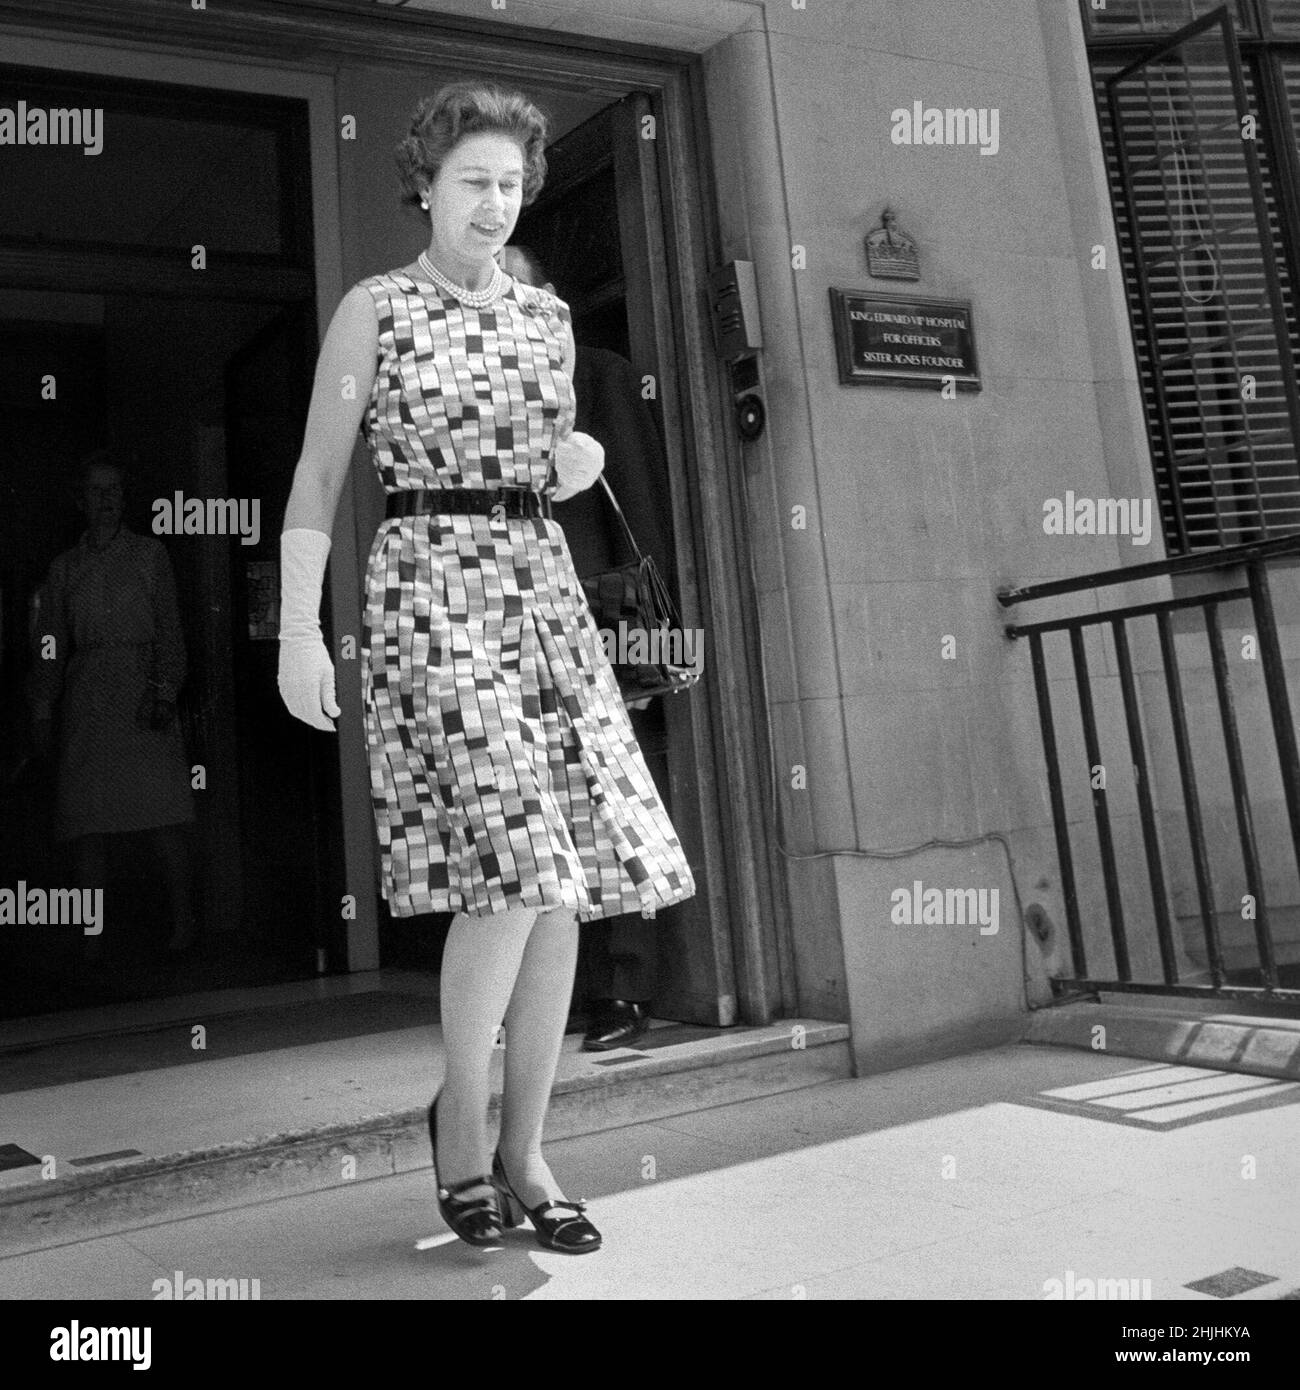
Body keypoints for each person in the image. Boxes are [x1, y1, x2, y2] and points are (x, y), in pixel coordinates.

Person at [277, 83, 696, 1253]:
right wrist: (299, 631)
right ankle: (460, 1122)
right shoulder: (377, 307)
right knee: (511, 864)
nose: (494, 204)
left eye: (511, 184)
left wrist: (571, 459)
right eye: (473, 181)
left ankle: (525, 1147)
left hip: (538, 586)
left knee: (560, 883)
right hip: (428, 582)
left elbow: (543, 455)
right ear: (425, 181)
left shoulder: (547, 316)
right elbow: (318, 475)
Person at [497, 244, 672, 1052]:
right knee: (528, 815)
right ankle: (545, 997)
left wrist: (644, 637)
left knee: (610, 809)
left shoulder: (598, 372)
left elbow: (634, 504)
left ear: (551, 297)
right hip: (501, 632)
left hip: (596, 625)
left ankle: (624, 992)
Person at [27, 451, 198, 957]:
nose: (107, 500)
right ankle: (92, 935)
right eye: (97, 491)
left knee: (162, 813)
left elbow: (169, 628)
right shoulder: (65, 569)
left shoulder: (149, 556)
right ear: (80, 500)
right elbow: (51, 642)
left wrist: (165, 691)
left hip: (142, 693)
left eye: (116, 490)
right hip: (89, 698)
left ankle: (184, 923)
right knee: (88, 821)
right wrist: (42, 707)